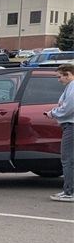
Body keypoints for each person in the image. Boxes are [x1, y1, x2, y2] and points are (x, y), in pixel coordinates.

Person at [45, 62, 74, 202]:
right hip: (69, 125)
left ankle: (70, 192)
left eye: (59, 76)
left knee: (67, 159)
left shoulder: (73, 87)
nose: (58, 80)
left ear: (67, 74)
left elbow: (67, 108)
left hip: (71, 126)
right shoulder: (70, 87)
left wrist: (52, 112)